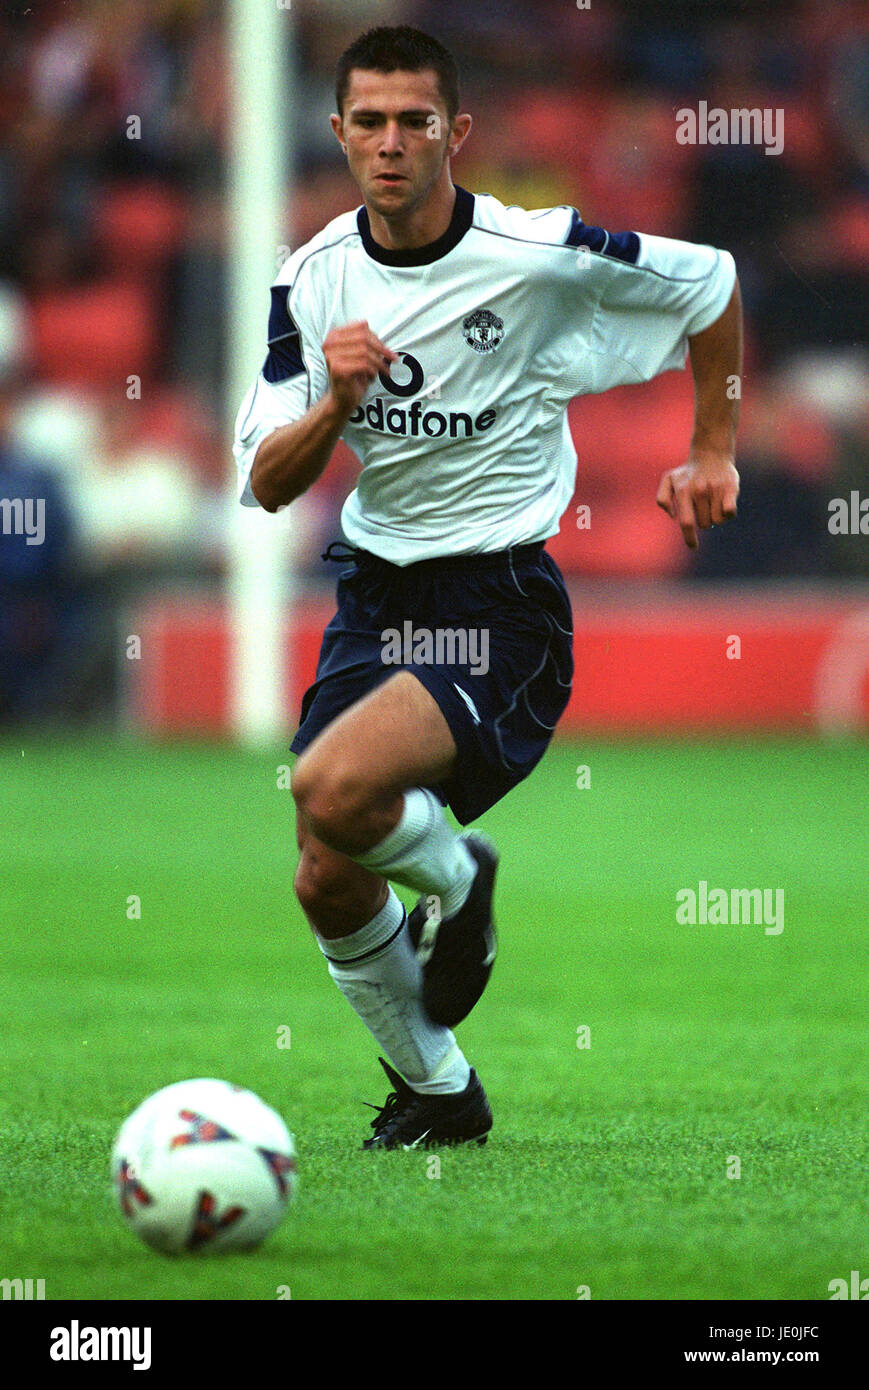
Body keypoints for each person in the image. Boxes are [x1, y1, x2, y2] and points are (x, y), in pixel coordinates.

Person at [233, 26, 742, 1149]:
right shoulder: (309, 282)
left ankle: (460, 879)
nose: (390, 142)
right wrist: (333, 403)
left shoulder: (536, 255)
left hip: (499, 607)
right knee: (324, 869)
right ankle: (439, 1091)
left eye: (415, 120)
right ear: (336, 134)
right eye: (367, 121)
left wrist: (710, 448)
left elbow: (710, 284)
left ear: (455, 133)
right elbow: (264, 484)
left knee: (324, 784)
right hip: (373, 598)